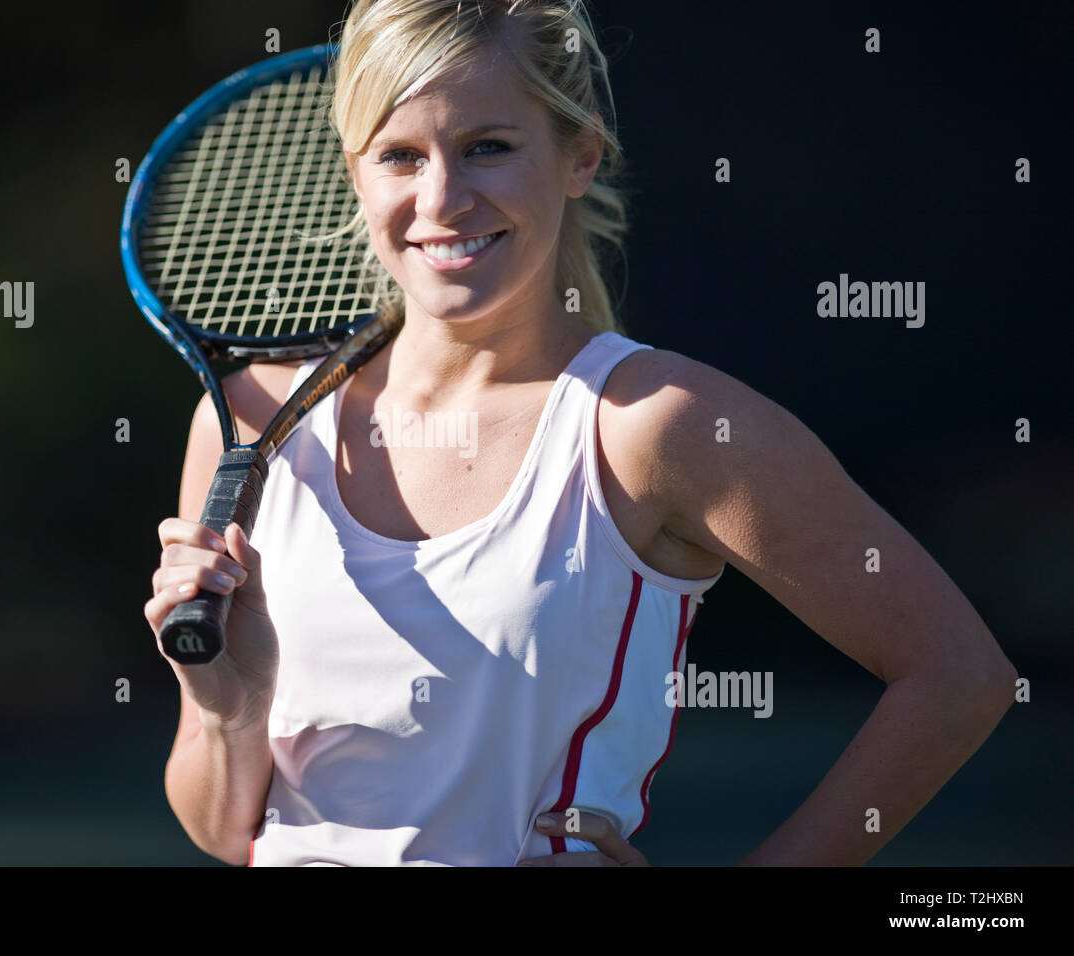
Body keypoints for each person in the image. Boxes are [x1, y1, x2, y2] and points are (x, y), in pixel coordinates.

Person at [144, 0, 1016, 866]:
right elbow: (226, 831)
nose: (441, 198)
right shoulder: (249, 424)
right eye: (401, 156)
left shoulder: (658, 425)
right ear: (355, 173)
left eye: (489, 146)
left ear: (579, 157)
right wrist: (231, 706)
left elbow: (957, 678)